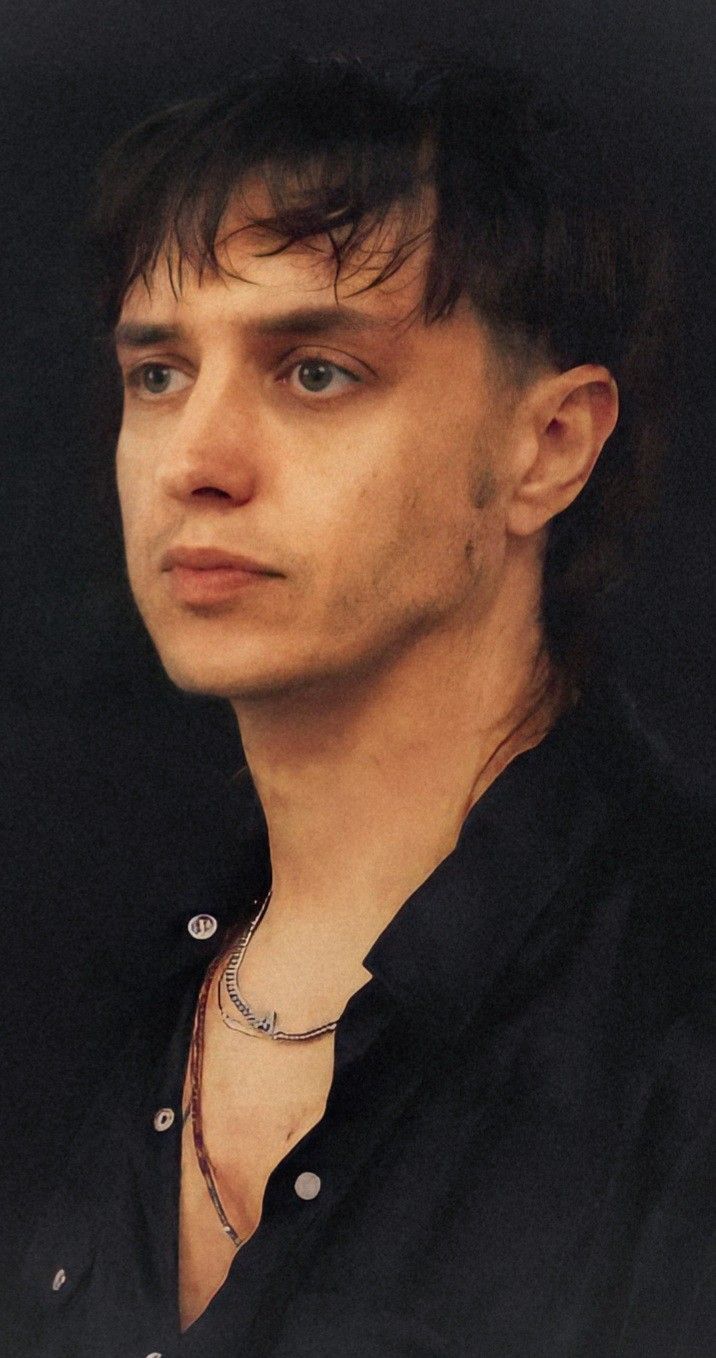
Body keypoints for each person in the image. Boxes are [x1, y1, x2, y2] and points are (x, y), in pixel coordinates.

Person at [13, 51, 712, 1358]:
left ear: (547, 445)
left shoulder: (672, 1025)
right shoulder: (115, 991)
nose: (195, 464)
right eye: (159, 374)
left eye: (316, 370)